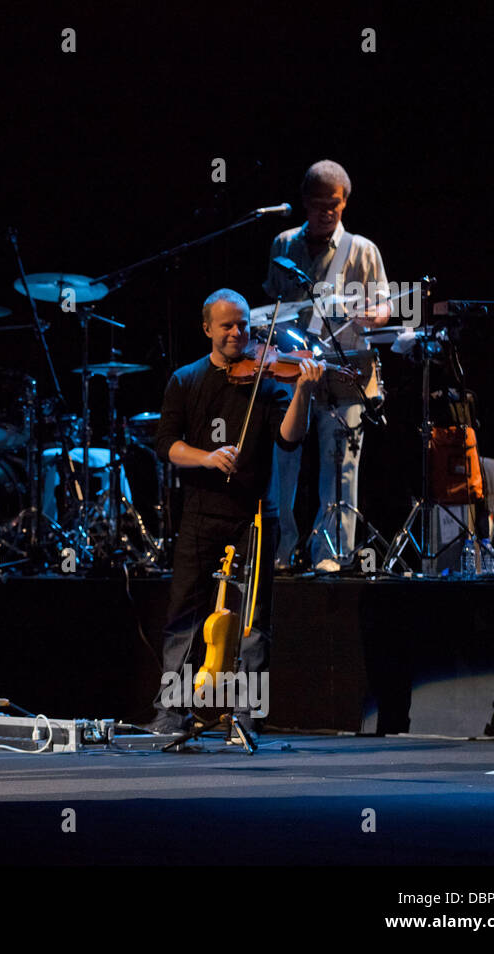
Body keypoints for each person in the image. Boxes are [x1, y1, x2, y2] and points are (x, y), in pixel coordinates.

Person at [147, 289, 324, 735]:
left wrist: (302, 391)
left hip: (256, 516)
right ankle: (172, 712)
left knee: (254, 620)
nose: (237, 333)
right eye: (226, 325)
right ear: (207, 328)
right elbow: (167, 444)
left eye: (243, 324)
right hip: (202, 513)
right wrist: (206, 457)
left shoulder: (268, 382)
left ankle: (247, 716)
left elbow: (289, 437)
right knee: (184, 617)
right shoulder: (186, 379)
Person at [263, 160, 390, 572]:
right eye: (317, 205)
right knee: (284, 463)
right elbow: (274, 305)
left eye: (333, 205)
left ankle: (332, 554)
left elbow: (386, 305)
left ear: (345, 202)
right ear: (304, 202)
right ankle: (281, 550)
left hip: (345, 371)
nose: (325, 213)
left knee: (341, 467)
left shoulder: (363, 250)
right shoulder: (283, 244)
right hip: (294, 372)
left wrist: (376, 314)